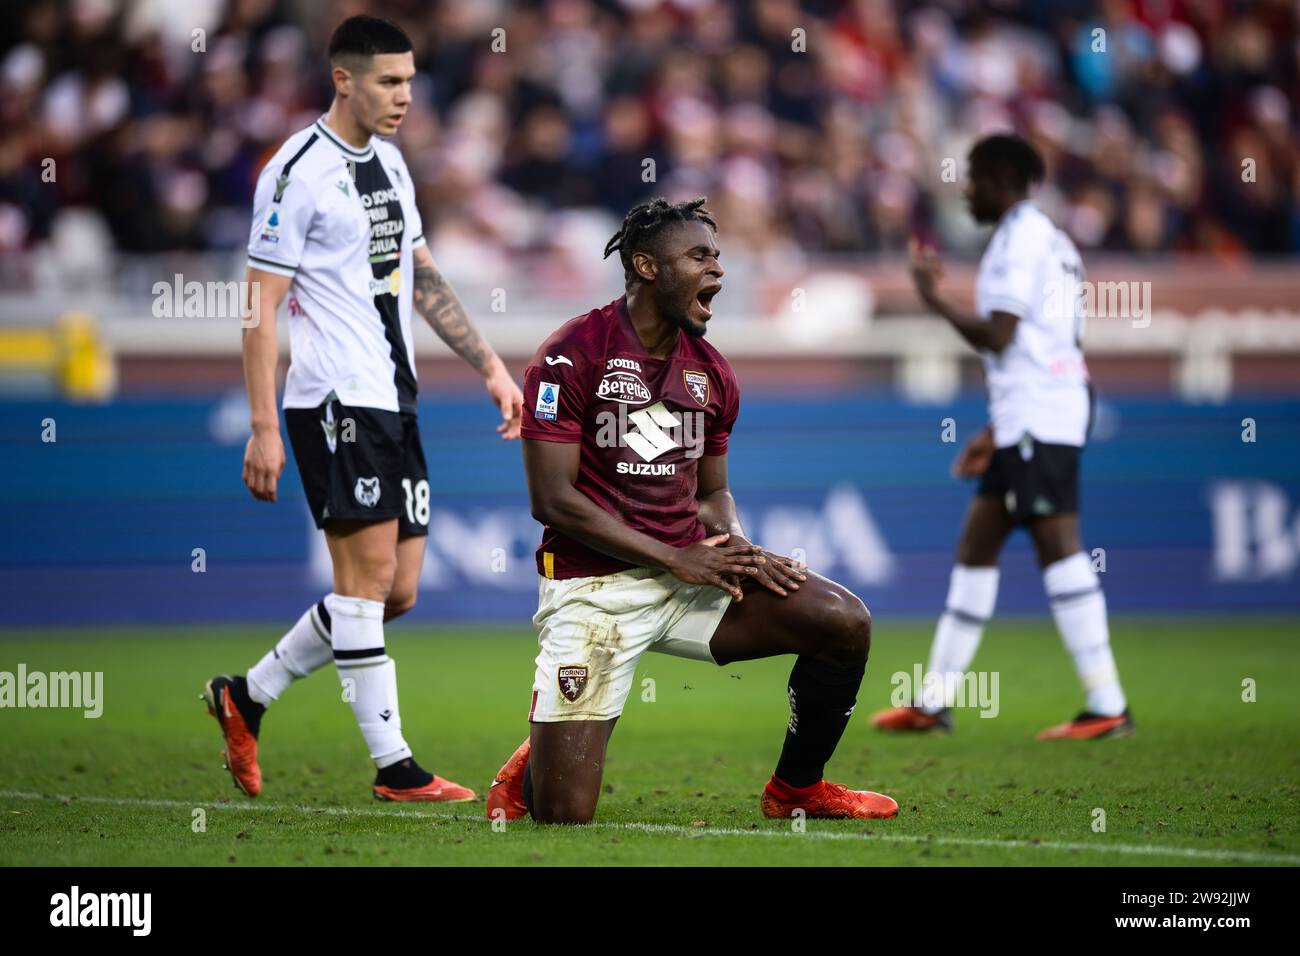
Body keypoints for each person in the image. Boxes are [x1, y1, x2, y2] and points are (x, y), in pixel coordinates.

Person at [485, 197, 898, 824]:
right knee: (564, 816)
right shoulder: (572, 353)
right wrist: (674, 557)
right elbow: (553, 499)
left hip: (686, 580)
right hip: (592, 588)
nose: (718, 271)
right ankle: (537, 761)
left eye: (718, 257)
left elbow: (710, 495)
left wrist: (735, 547)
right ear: (647, 266)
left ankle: (797, 789)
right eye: (700, 256)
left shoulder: (712, 374)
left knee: (842, 621)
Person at [202, 15, 523, 801]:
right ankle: (395, 766)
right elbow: (259, 307)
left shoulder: (390, 165)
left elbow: (424, 278)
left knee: (396, 591)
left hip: (396, 400)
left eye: (410, 80)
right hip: (334, 399)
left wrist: (488, 365)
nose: (404, 95)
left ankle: (245, 696)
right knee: (368, 578)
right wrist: (262, 425)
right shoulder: (295, 173)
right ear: (343, 79)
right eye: (388, 80)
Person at [872, 134, 1133, 740]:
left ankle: (1107, 703)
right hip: (1036, 416)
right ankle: (934, 701)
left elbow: (1000, 335)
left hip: (1042, 419)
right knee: (976, 547)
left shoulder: (1020, 239)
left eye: (973, 178)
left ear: (1000, 177)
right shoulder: (1051, 240)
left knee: (1060, 548)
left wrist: (934, 299)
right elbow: (1042, 344)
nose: (966, 190)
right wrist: (997, 429)